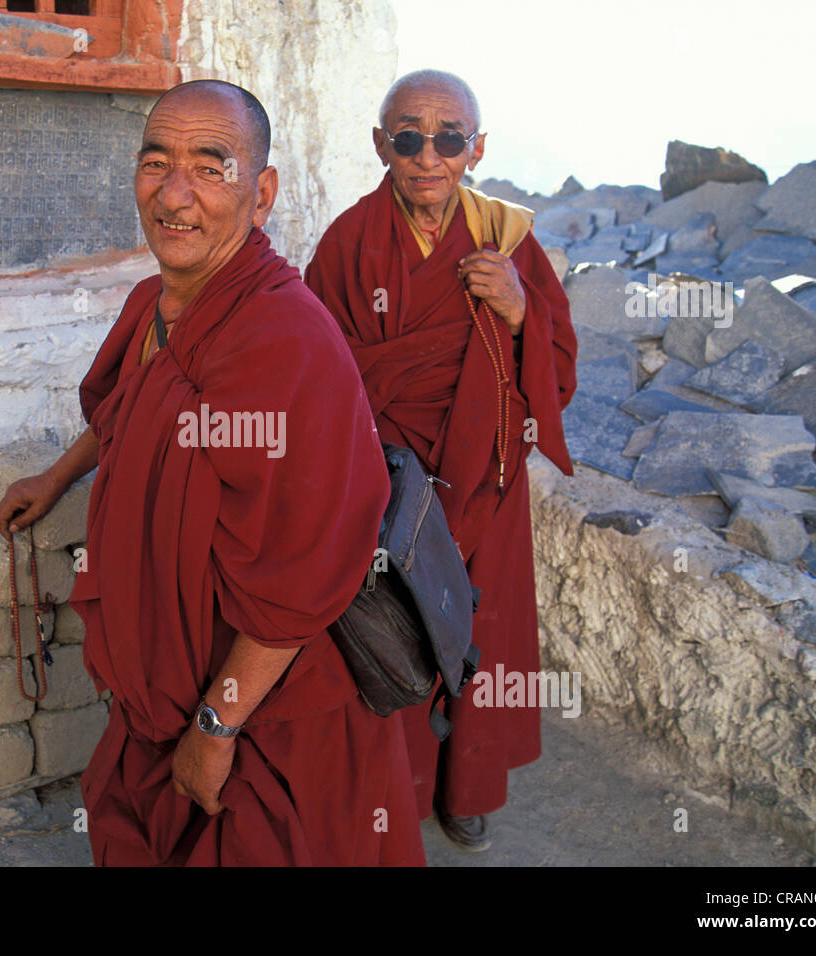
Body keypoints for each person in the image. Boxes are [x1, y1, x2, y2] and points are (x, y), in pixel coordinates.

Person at [0, 79, 425, 866]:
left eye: (210, 166)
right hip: (165, 689)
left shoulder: (287, 339)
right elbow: (133, 411)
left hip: (271, 710)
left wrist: (216, 728)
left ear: (260, 194)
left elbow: (305, 577)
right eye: (155, 162)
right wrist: (58, 477)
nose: (175, 193)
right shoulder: (156, 306)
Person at [304, 69, 578, 852]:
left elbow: (559, 370)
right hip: (391, 484)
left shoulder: (509, 239)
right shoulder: (348, 241)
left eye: (449, 138)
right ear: (381, 146)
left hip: (484, 478)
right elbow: (321, 368)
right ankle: (396, 792)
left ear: (476, 148)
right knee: (397, 629)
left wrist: (520, 311)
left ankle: (466, 790)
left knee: (478, 629)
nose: (430, 155)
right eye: (409, 137)